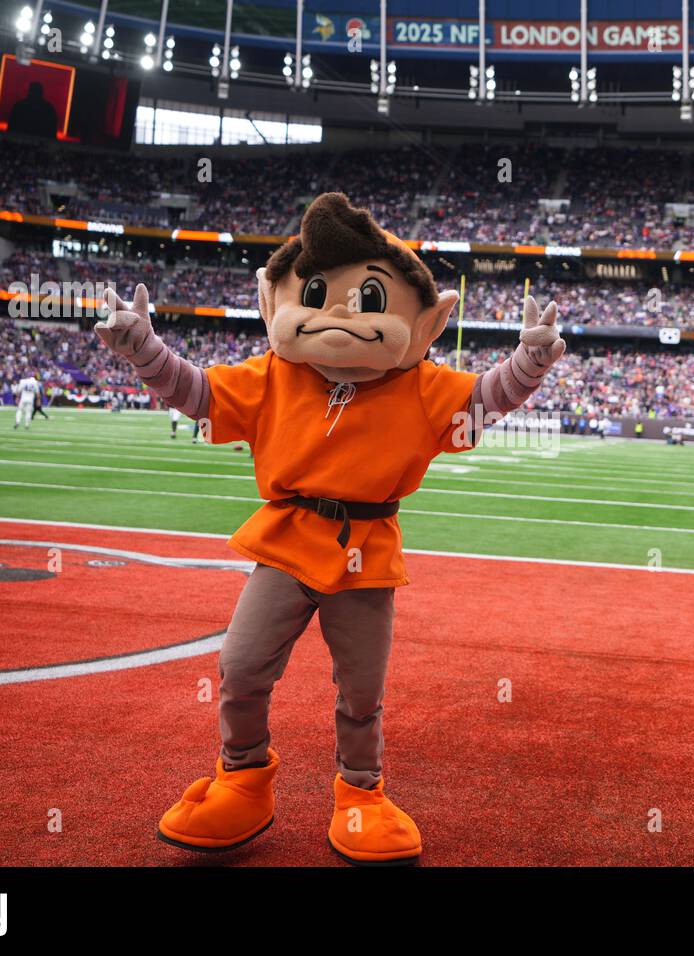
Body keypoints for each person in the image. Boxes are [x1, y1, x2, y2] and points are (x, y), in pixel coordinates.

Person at [93, 192, 566, 864]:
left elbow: (485, 400)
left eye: (370, 300)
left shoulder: (423, 385)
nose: (339, 319)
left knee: (362, 690)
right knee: (241, 666)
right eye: (314, 293)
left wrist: (531, 364)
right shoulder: (274, 374)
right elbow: (197, 393)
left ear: (427, 322)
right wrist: (144, 349)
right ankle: (243, 779)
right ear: (276, 302)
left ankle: (361, 794)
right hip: (287, 540)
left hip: (366, 552)